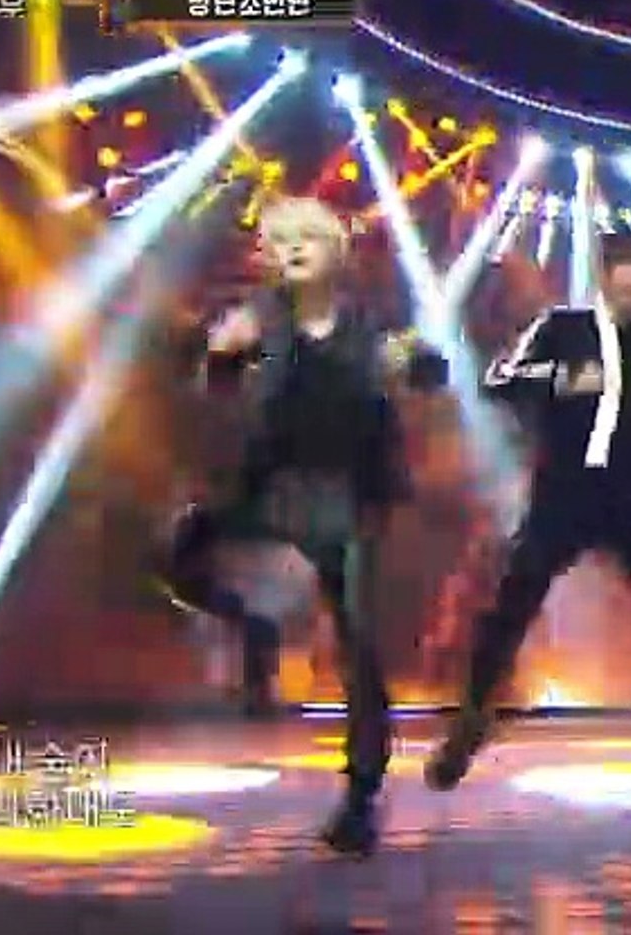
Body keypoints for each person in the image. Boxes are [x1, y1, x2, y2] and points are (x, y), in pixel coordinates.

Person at [424, 233, 631, 840]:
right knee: (511, 604)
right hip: (568, 492)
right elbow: (500, 378)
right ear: (606, 273)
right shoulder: (561, 328)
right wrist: (562, 378)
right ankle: (469, 721)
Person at [170, 196, 445, 856]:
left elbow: (430, 372)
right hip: (274, 487)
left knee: (359, 644)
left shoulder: (367, 325)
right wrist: (221, 355)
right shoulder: (258, 318)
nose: (293, 249)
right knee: (179, 551)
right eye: (280, 239)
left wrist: (413, 362)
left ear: (336, 253)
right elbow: (211, 388)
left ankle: (361, 794)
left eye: (307, 238)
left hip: (347, 496)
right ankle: (253, 625)